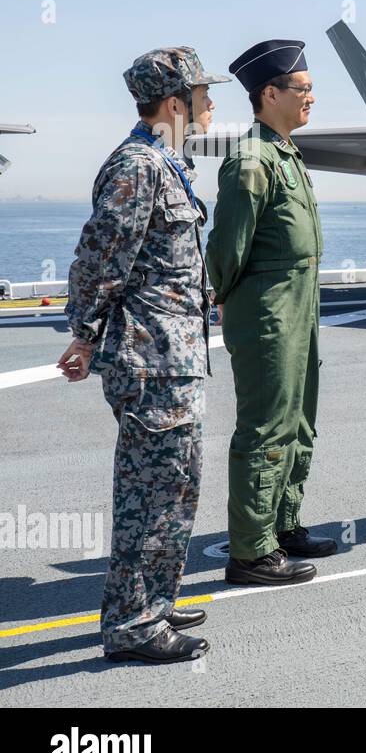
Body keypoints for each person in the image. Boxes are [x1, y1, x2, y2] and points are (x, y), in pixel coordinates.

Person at [61, 47, 229, 662]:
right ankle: (133, 624)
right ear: (174, 102)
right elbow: (102, 256)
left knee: (178, 485)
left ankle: (155, 598)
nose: (212, 104)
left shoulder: (165, 161)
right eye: (203, 95)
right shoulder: (138, 166)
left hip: (174, 355)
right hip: (150, 357)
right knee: (150, 492)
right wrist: (83, 333)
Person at [208, 40, 334, 585]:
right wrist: (231, 304)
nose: (311, 98)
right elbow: (227, 250)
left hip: (297, 306)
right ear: (270, 93)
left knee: (298, 421)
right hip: (269, 312)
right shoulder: (252, 159)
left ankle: (282, 525)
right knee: (265, 427)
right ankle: (251, 552)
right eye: (303, 90)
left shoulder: (282, 150)